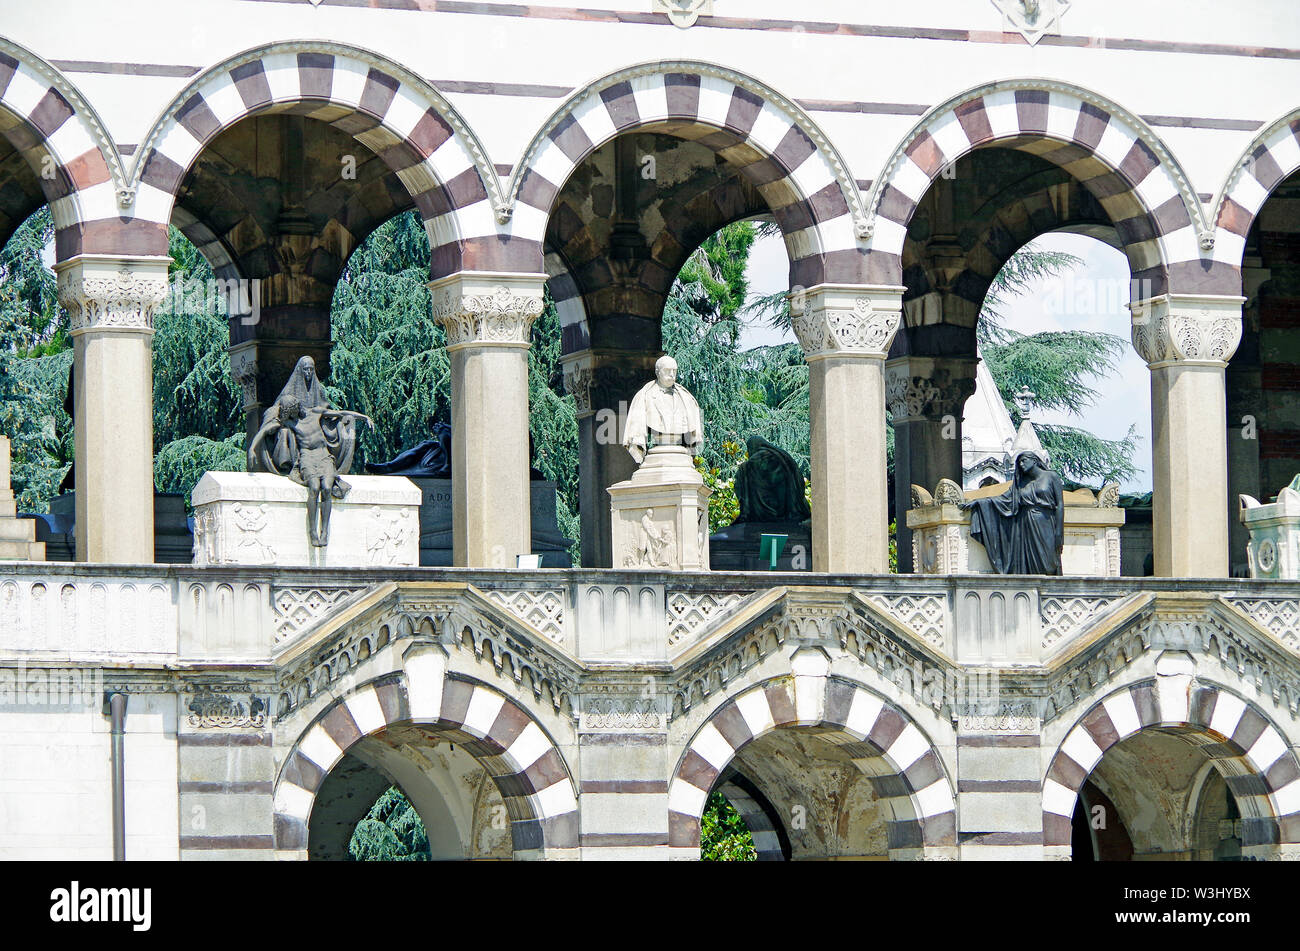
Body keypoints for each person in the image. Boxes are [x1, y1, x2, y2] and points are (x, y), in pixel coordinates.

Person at [248, 394, 374, 547]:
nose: (290, 415)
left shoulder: (315, 412)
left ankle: (325, 531)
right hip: (307, 458)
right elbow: (265, 431)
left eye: (291, 411)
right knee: (314, 488)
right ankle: (313, 532)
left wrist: (364, 417)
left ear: (297, 407)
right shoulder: (289, 422)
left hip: (324, 456)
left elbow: (341, 413)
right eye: (288, 412)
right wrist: (252, 449)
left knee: (327, 488)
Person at [963, 450, 1064, 574]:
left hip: (1045, 521)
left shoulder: (1051, 476)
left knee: (1049, 561)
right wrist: (979, 502)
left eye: (1024, 461)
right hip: (1024, 524)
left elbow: (1060, 505)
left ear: (1034, 460)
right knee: (1028, 563)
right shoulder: (1020, 483)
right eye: (1019, 462)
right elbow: (1004, 499)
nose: (1021, 464)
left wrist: (1059, 532)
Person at [623, 355, 703, 465]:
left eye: (674, 371)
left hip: (679, 456)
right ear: (657, 372)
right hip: (659, 456)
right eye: (667, 370)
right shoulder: (644, 397)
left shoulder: (687, 399)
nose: (671, 374)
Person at [733, 435, 810, 523]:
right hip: (789, 503)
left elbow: (743, 483)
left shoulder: (757, 458)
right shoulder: (782, 455)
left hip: (762, 515)